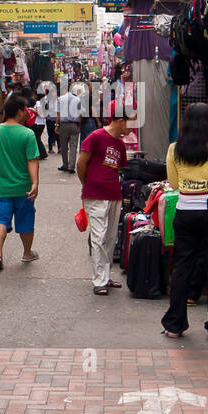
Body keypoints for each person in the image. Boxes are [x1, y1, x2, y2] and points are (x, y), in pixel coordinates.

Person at [161, 103, 208, 340]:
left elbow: (173, 184)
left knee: (183, 267)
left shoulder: (174, 149)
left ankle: (175, 324)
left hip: (184, 213)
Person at [0, 93, 40, 270]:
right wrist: (34, 183)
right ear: (20, 110)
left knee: (0, 219)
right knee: (26, 220)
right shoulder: (27, 134)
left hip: (2, 188)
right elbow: (32, 160)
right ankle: (27, 253)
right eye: (25, 109)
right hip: (23, 188)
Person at [78, 104, 128, 295]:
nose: (131, 128)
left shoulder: (120, 144)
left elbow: (119, 168)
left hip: (114, 194)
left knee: (110, 237)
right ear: (121, 121)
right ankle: (99, 280)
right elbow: (80, 164)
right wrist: (87, 184)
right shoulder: (96, 137)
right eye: (130, 122)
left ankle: (105, 277)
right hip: (96, 194)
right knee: (98, 237)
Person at [56, 82, 84, 172]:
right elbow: (80, 114)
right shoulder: (77, 99)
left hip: (63, 125)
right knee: (73, 146)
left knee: (64, 146)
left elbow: (58, 114)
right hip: (74, 125)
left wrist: (56, 125)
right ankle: (71, 167)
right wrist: (79, 125)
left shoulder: (60, 99)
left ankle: (65, 164)